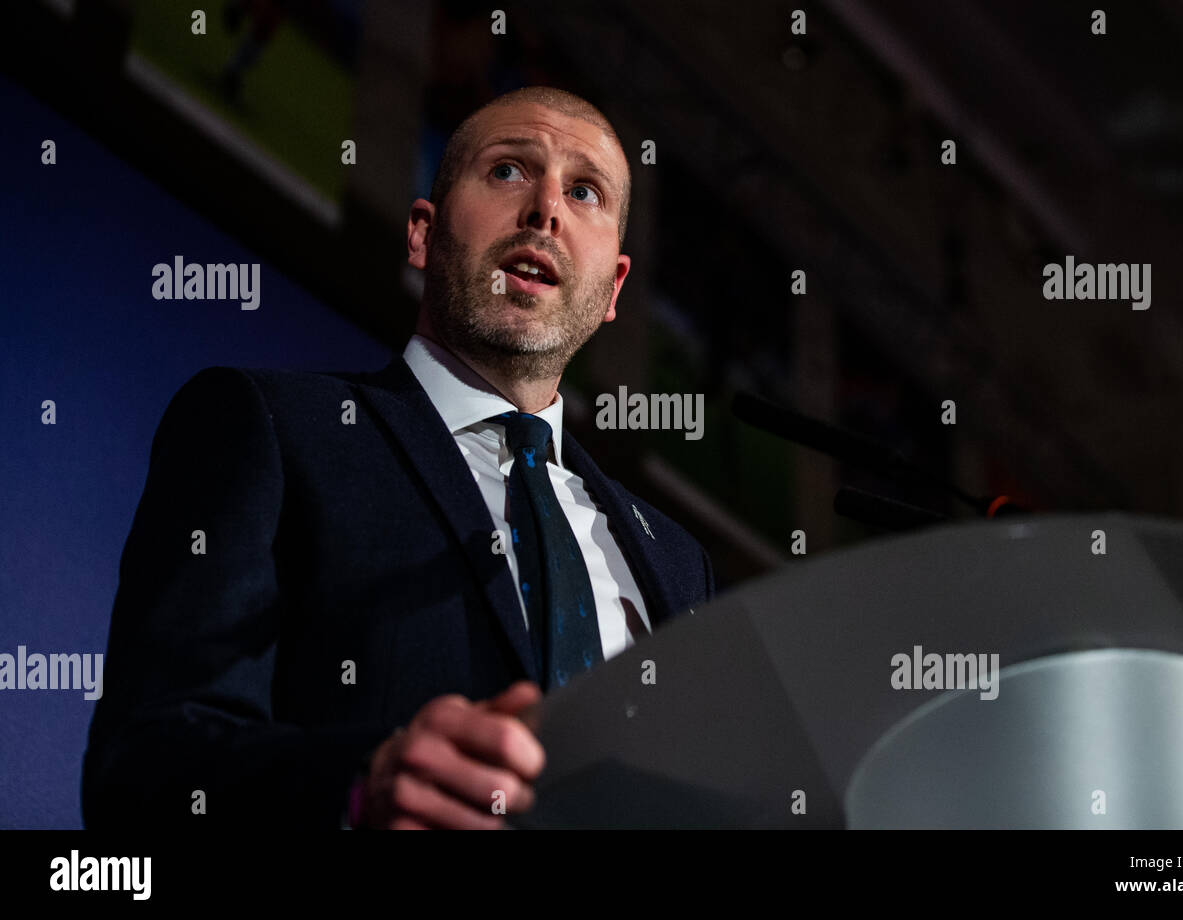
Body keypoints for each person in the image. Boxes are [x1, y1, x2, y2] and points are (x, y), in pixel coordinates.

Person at [82, 86, 716, 830]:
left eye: (585, 191)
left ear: (612, 288)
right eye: (509, 170)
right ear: (422, 232)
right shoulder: (273, 429)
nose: (546, 210)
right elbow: (144, 765)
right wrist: (360, 783)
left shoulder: (677, 561)